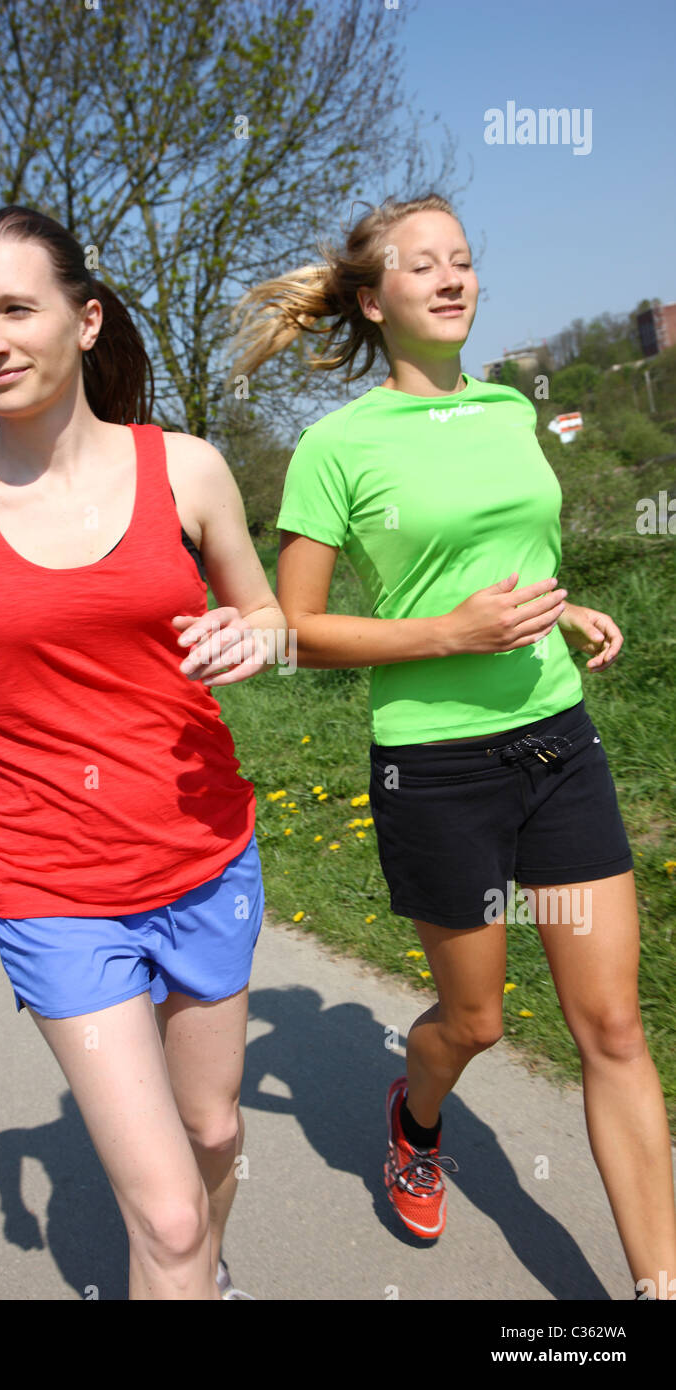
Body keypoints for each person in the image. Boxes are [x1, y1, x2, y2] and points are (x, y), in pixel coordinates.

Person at [225, 192, 676, 1299]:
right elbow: (290, 630)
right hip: (434, 768)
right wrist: (446, 635)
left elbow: (498, 556)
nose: (450, 277)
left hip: (555, 743)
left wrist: (554, 612)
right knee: (472, 1019)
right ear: (373, 301)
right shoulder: (334, 446)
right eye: (421, 265)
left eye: (462, 260)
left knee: (610, 1023)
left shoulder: (508, 410)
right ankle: (412, 1113)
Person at [0, 204, 286, 1301]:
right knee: (166, 1213)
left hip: (203, 853)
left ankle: (200, 1267)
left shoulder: (188, 471)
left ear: (85, 319)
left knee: (212, 1129)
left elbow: (271, 613)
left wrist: (257, 633)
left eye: (14, 308)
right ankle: (186, 1260)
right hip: (53, 884)